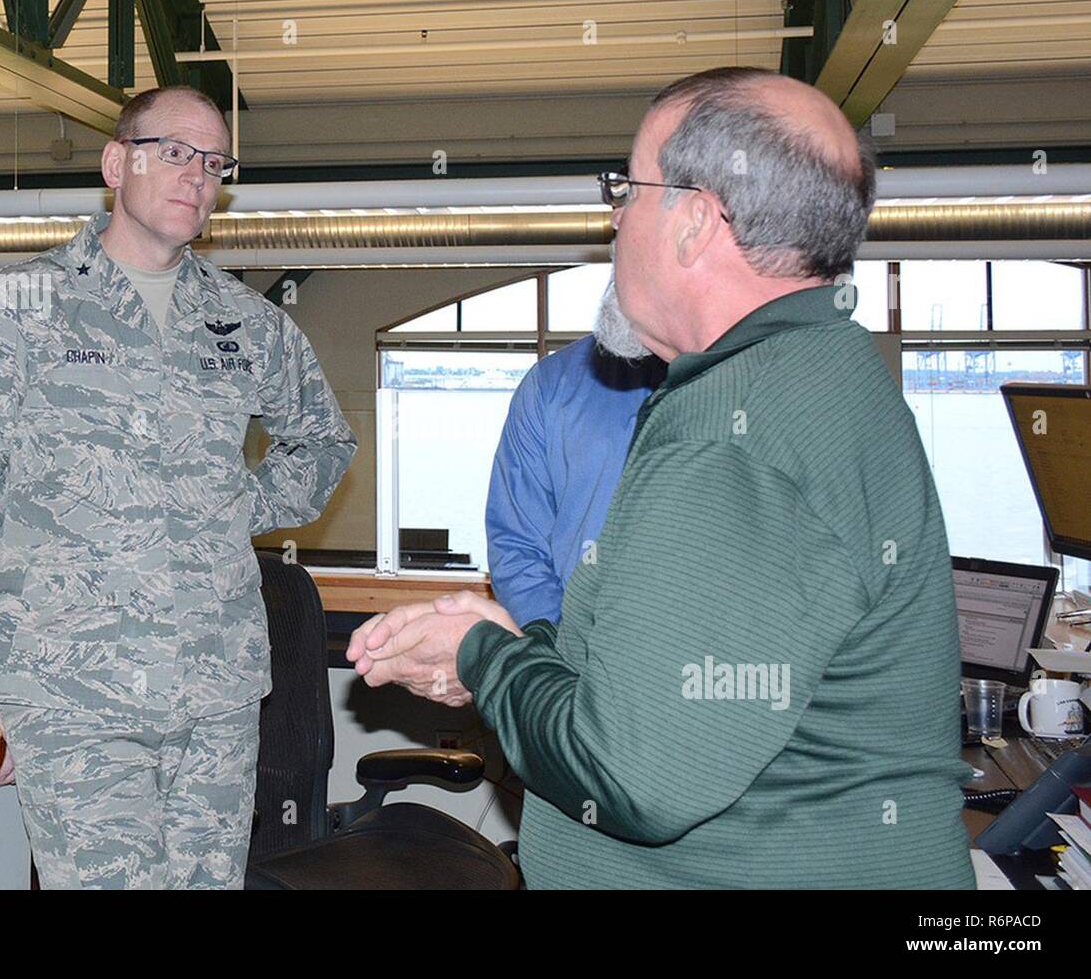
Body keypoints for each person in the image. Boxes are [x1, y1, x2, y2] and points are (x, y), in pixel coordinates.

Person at [348, 66, 975, 889]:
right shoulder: (819, 371)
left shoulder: (734, 434)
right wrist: (521, 647)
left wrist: (481, 657)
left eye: (627, 188)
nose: (613, 218)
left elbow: (632, 777)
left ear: (693, 222)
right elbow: (665, 688)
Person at [0, 85, 356, 889]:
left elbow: (323, 440)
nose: (197, 177)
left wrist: (243, 504)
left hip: (216, 695)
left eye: (215, 162)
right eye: (175, 152)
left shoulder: (245, 322)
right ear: (118, 163)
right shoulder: (19, 309)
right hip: (71, 692)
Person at [485, 306, 664, 627]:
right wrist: (560, 650)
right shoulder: (551, 385)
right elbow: (516, 547)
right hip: (574, 651)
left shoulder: (758, 378)